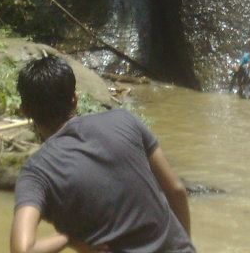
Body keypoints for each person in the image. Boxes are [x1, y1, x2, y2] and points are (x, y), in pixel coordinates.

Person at [10, 54, 195, 253]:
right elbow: (176, 190)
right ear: (75, 99)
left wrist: (67, 238)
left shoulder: (36, 172)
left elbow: (23, 250)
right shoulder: (124, 120)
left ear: (25, 111)